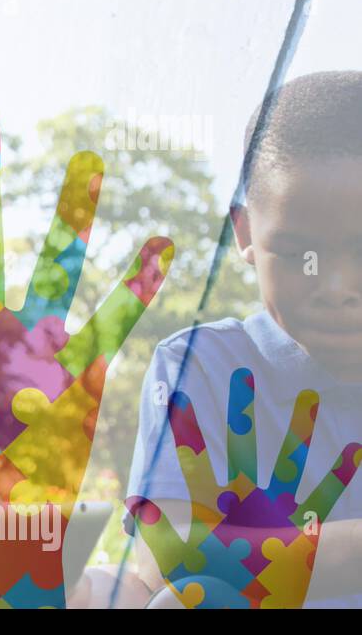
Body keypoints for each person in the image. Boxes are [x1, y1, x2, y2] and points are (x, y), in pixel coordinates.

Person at [121, 71, 362, 608]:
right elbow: (164, 558)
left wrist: (266, 552)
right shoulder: (203, 366)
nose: (338, 289)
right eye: (300, 252)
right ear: (246, 233)